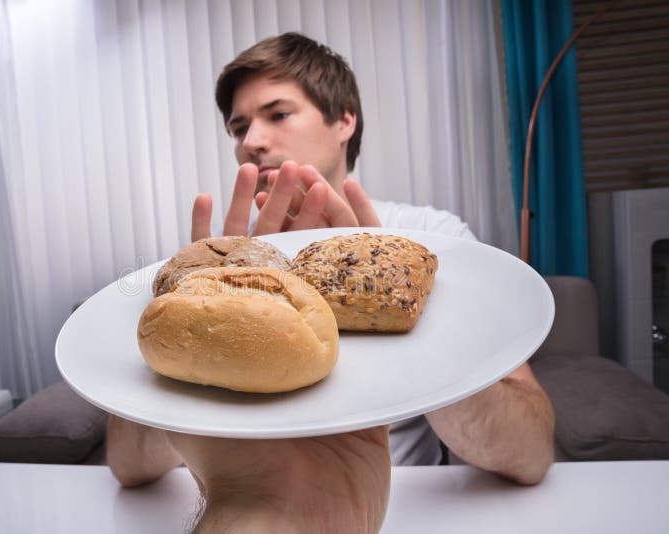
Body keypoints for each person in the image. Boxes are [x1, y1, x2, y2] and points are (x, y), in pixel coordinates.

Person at [108, 32, 555, 532]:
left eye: (277, 114)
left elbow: (530, 454)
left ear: (344, 119)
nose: (249, 142)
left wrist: (417, 333)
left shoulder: (436, 241)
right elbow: (128, 467)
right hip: (247, 502)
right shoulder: (216, 269)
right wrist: (188, 354)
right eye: (238, 127)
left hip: (411, 505)